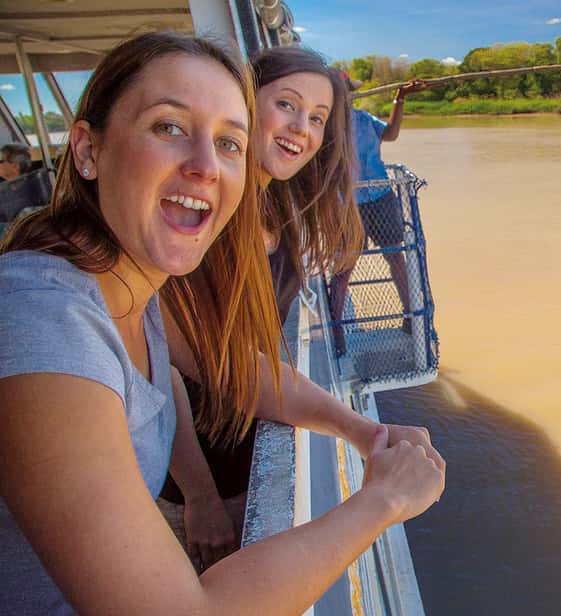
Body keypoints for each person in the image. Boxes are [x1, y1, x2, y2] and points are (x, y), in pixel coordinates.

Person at [0, 32, 444, 614]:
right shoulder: (43, 318)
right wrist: (383, 501)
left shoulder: (133, 284)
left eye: (229, 143)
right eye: (169, 127)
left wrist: (362, 432)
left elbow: (236, 368)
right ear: (87, 149)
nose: (206, 166)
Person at [155, 45, 383, 571]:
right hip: (194, 479)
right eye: (286, 104)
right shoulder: (199, 217)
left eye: (318, 117)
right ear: (242, 104)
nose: (302, 127)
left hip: (248, 450)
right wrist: (201, 497)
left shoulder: (275, 207)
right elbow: (162, 367)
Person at [328, 74, 429, 356]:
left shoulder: (362, 118)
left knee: (395, 254)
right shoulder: (324, 125)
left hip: (380, 196)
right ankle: (336, 326)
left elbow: (391, 134)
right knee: (344, 267)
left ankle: (409, 315)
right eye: (344, 92)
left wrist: (400, 98)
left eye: (349, 92)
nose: (348, 96)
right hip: (346, 203)